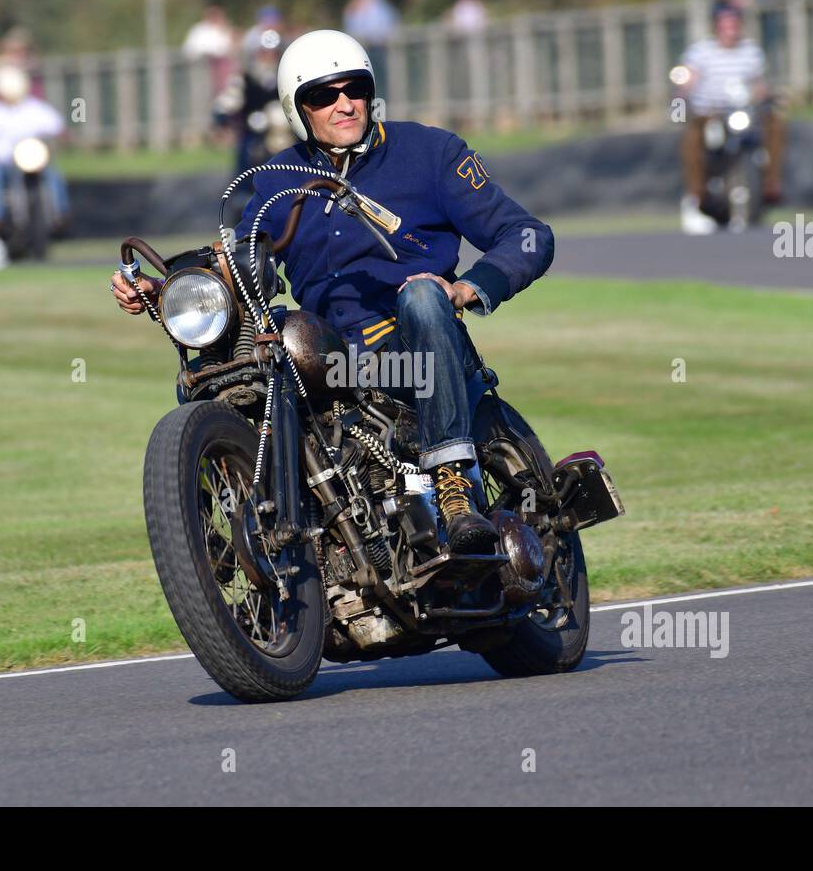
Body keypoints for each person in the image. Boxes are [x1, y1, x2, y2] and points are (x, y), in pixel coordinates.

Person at [111, 30, 555, 554]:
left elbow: (528, 235)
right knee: (235, 361)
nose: (344, 105)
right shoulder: (278, 178)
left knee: (419, 297)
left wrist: (467, 288)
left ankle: (454, 484)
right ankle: (260, 521)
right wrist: (164, 292)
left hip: (414, 350)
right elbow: (244, 260)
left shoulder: (430, 152)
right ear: (298, 109)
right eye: (323, 95)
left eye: (355, 90)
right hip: (331, 359)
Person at [676, 2, 785, 225]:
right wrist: (683, 90)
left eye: (734, 23)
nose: (730, 28)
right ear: (717, 26)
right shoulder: (701, 51)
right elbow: (689, 78)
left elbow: (758, 84)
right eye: (725, 24)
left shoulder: (750, 51)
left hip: (741, 111)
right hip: (710, 112)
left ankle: (771, 182)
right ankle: (696, 191)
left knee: (775, 123)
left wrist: (765, 95)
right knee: (692, 137)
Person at [0, 65, 69, 232]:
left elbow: (56, 126)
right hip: (4, 163)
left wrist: (63, 137)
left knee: (54, 177)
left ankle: (61, 214)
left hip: (33, 161)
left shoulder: (35, 107)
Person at [212, 29, 290, 174]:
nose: (268, 57)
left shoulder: (287, 75)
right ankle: (243, 185)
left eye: (273, 52)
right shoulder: (245, 77)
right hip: (254, 128)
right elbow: (229, 99)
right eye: (264, 52)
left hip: (285, 130)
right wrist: (221, 116)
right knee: (246, 150)